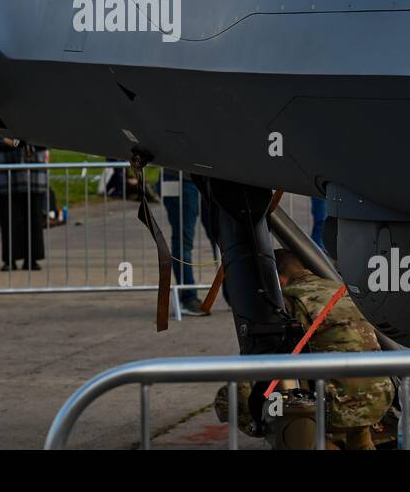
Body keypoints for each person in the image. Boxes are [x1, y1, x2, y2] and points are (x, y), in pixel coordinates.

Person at [214, 249, 393, 449]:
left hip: (337, 404)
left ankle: (318, 442)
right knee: (355, 426)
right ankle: (359, 440)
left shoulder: (291, 300)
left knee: (230, 395)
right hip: (379, 397)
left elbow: (276, 359)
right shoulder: (343, 289)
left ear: (279, 281)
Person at [0, 134, 47, 271]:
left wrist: (29, 142)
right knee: (9, 217)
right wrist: (6, 141)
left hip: (34, 172)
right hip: (6, 173)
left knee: (34, 217)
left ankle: (32, 258)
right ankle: (9, 259)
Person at [161, 168, 206, 316]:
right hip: (179, 178)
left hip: (209, 178)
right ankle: (188, 297)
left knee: (223, 238)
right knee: (182, 241)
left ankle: (234, 295)